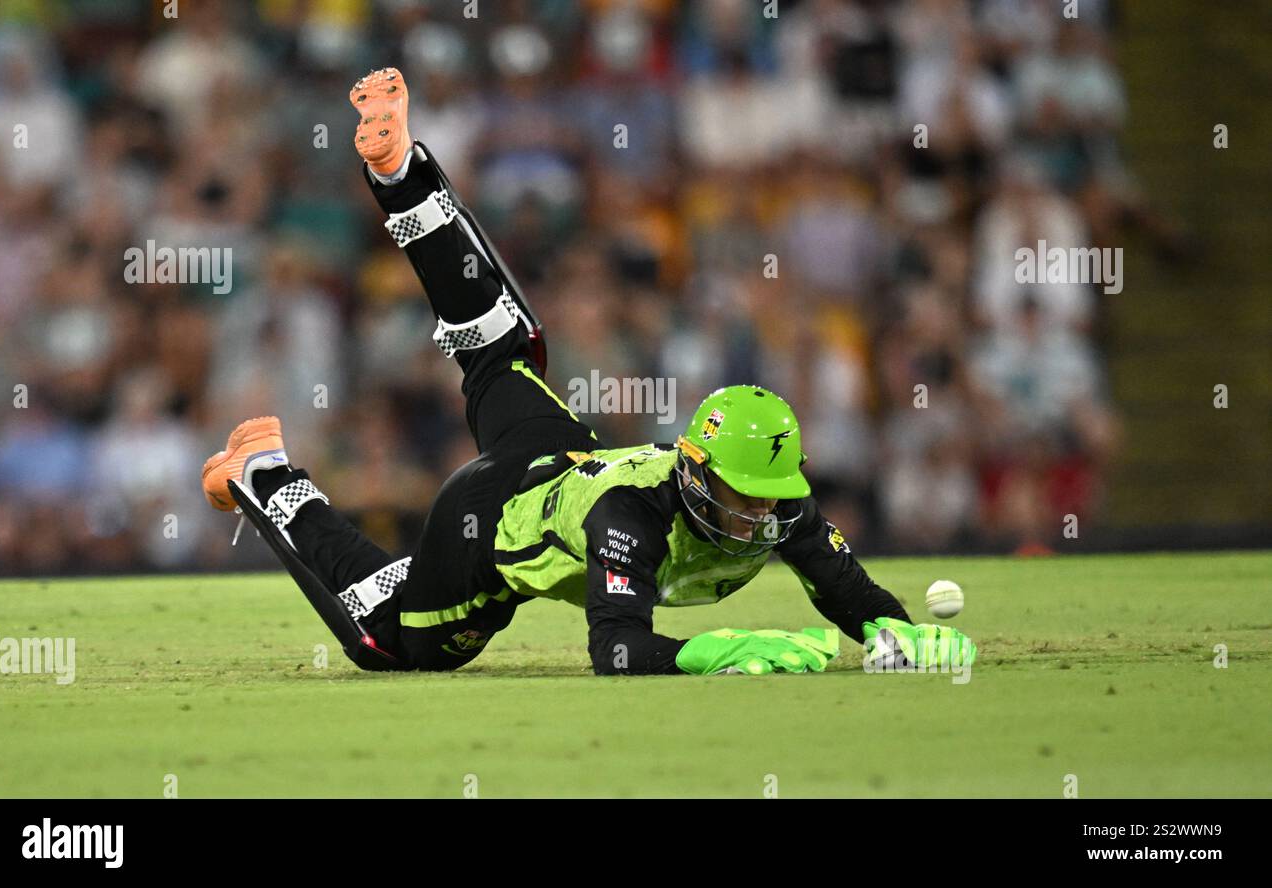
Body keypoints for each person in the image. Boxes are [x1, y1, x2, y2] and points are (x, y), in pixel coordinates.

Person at [202, 68, 976, 676]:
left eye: (774, 502)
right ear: (698, 474)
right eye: (746, 500)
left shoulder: (771, 503)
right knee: (388, 641)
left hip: (557, 448)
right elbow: (617, 652)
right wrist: (724, 650)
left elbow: (846, 591)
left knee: (499, 341)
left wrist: (900, 636)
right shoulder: (629, 522)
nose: (759, 522)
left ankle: (401, 172)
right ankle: (262, 471)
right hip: (487, 522)